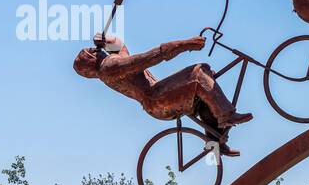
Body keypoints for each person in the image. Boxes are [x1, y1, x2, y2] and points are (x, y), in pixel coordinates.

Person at [73, 35, 253, 154]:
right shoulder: (109, 67)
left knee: (202, 95)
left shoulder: (110, 65)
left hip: (157, 102)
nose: (94, 49)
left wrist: (106, 40)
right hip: (156, 99)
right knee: (199, 72)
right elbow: (150, 57)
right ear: (90, 62)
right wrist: (185, 44)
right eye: (90, 51)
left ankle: (215, 144)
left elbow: (122, 48)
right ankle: (226, 115)